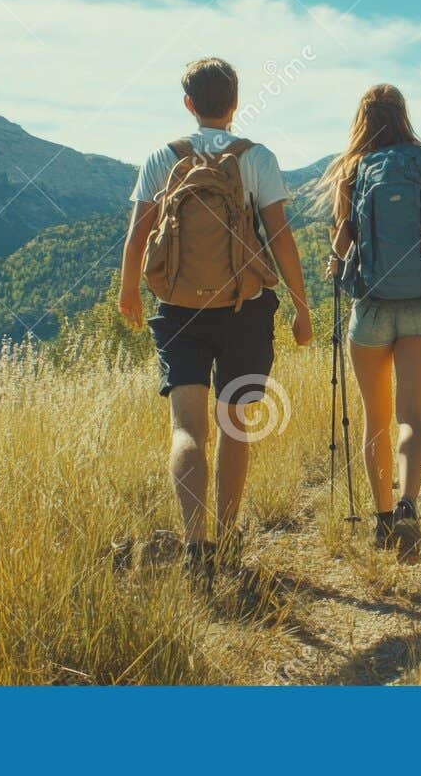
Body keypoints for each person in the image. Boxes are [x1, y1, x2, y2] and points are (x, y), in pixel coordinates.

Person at [118, 58, 313, 587]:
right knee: (234, 425)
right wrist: (301, 305)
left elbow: (138, 235)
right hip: (243, 308)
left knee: (187, 428)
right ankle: (227, 540)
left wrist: (129, 291)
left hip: (178, 308)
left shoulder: (164, 156)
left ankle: (193, 547)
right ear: (234, 101)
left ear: (188, 103)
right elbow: (280, 237)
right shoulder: (257, 158)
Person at [317, 84, 421, 564]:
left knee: (375, 418)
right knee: (413, 417)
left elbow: (342, 247)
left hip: (369, 309)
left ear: (362, 120)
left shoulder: (351, 169)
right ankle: (409, 502)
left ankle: (384, 521)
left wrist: (336, 265)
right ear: (404, 115)